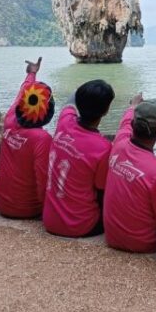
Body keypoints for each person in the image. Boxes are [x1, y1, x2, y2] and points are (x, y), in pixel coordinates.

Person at [42, 79, 115, 237]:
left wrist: (80, 91)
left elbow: (70, 102)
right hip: (81, 225)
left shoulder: (64, 121)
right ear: (107, 110)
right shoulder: (103, 147)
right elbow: (102, 191)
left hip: (49, 220)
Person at [103, 93, 156, 253]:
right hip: (144, 243)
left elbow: (125, 124)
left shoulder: (119, 144)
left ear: (134, 124)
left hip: (112, 236)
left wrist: (133, 105)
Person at [0, 57, 54, 219]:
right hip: (28, 209)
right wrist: (48, 211)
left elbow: (24, 93)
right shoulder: (41, 138)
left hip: (2, 203)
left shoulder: (10, 120)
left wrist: (31, 74)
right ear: (47, 113)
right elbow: (43, 179)